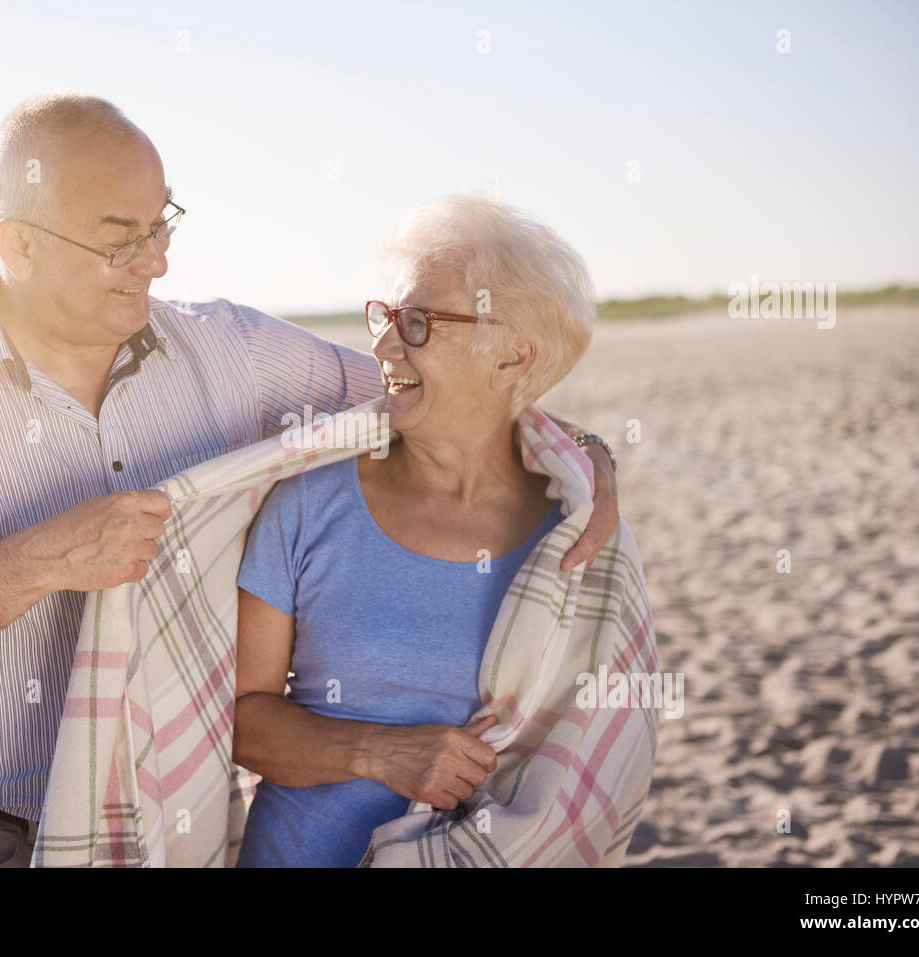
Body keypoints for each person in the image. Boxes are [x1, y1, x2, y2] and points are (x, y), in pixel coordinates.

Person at [0, 93, 622, 868]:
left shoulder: (235, 354)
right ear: (20, 244)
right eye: (122, 237)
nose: (155, 261)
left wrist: (582, 451)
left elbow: (435, 395)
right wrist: (39, 562)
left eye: (164, 225)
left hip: (174, 824)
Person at [232, 194, 650, 866]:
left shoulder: (577, 539)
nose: (384, 343)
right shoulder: (310, 497)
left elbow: (589, 772)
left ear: (512, 356)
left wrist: (595, 449)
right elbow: (241, 718)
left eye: (420, 321)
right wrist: (380, 752)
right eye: (387, 314)